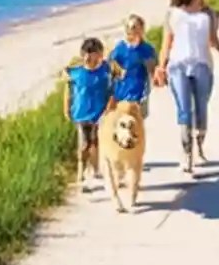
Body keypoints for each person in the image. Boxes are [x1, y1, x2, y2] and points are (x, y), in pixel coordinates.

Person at [157, 0, 219, 173]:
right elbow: (166, 44)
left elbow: (213, 40)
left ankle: (199, 143)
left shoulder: (209, 14)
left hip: (202, 65)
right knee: (184, 110)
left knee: (201, 110)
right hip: (177, 66)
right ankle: (186, 153)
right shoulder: (173, 13)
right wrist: (161, 67)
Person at [63, 37, 112, 191]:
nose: (89, 57)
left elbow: (113, 86)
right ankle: (81, 170)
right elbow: (67, 88)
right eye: (86, 54)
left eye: (93, 53)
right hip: (81, 114)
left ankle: (96, 169)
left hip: (99, 114)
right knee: (84, 144)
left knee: (96, 143)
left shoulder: (105, 70)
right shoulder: (76, 72)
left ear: (100, 54)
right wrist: (66, 108)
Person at [110, 14, 158, 119]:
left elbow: (154, 71)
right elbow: (110, 64)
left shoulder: (147, 49)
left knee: (136, 127)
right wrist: (118, 70)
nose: (131, 30)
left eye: (134, 27)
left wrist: (151, 67)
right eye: (128, 27)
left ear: (141, 29)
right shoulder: (120, 47)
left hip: (140, 94)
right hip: (121, 94)